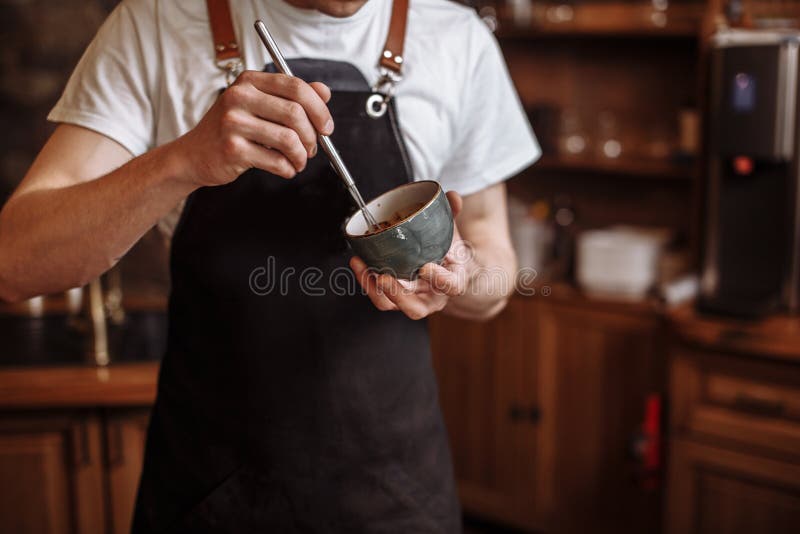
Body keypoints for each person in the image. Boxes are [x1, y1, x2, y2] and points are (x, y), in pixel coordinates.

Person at [0, 0, 539, 531]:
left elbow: (496, 269)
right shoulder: (157, 22)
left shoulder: (457, 37)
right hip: (209, 495)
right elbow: (15, 263)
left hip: (398, 497)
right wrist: (183, 160)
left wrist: (461, 276)